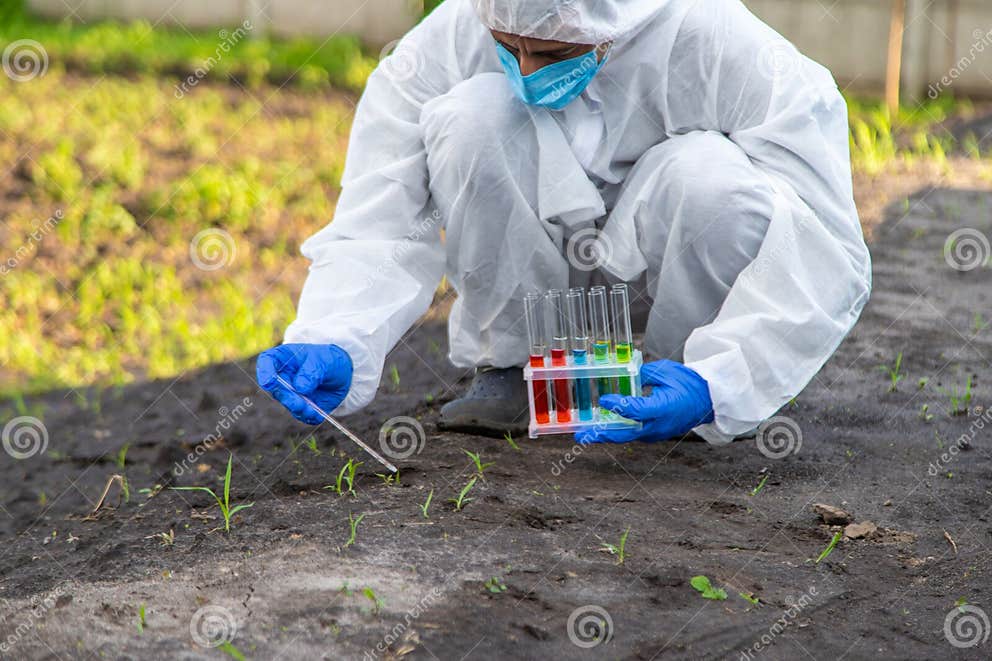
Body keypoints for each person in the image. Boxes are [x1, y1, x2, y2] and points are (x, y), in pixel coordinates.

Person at [256, 0, 871, 445]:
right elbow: (381, 208)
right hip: (535, 292)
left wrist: (724, 378)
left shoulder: (717, 42)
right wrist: (335, 332)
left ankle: (677, 374)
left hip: (666, 277)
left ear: (616, 29)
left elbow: (824, 236)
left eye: (551, 54)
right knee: (473, 117)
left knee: (709, 175)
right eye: (508, 47)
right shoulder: (445, 40)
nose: (524, 71)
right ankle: (513, 369)